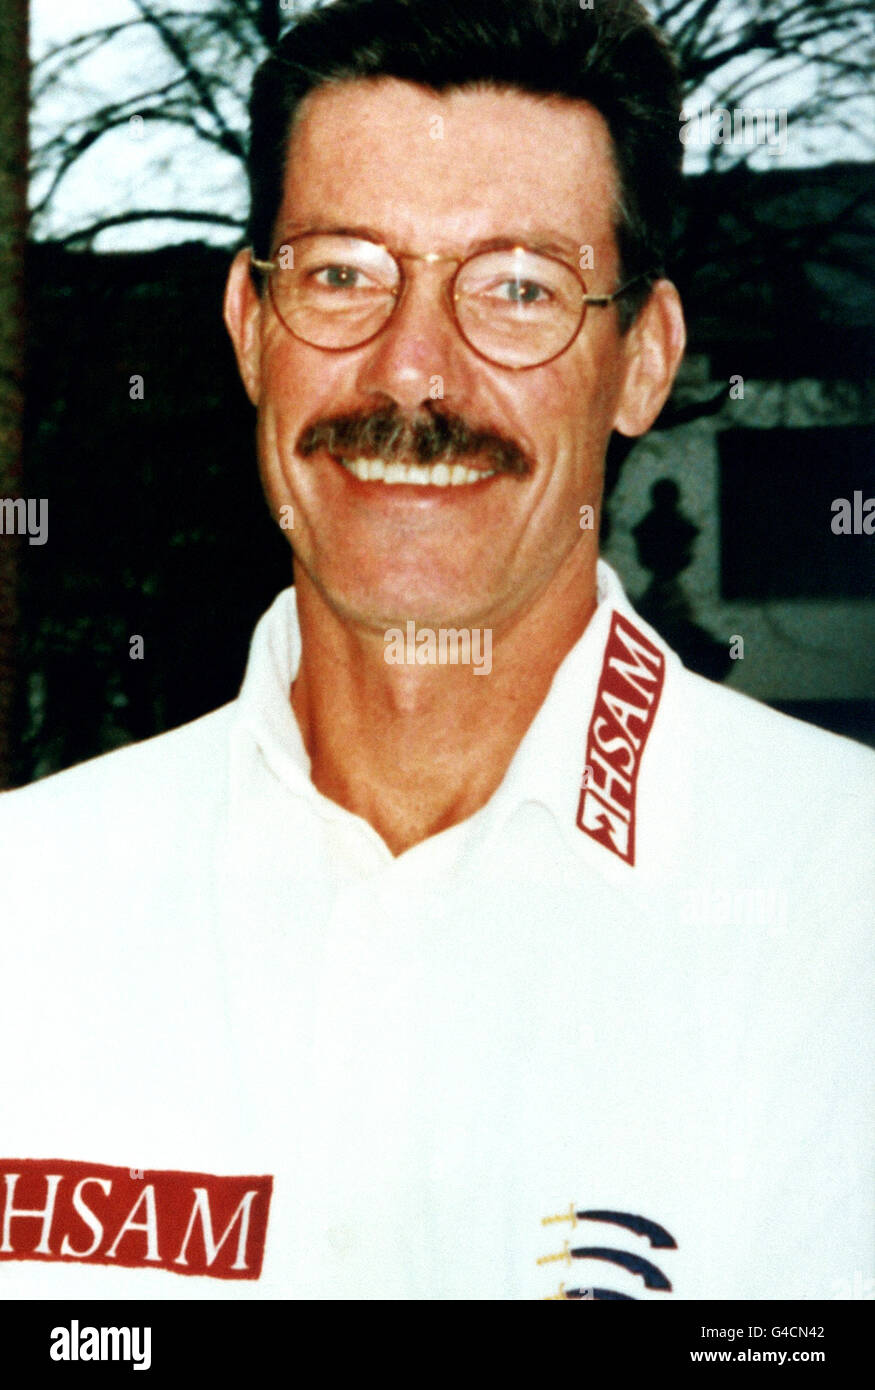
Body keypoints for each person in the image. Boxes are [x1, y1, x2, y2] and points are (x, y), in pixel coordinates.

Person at [0, 0, 871, 1302]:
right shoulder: (31, 901)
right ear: (250, 324)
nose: (413, 373)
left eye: (517, 288)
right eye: (343, 272)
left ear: (645, 362)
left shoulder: (840, 909)